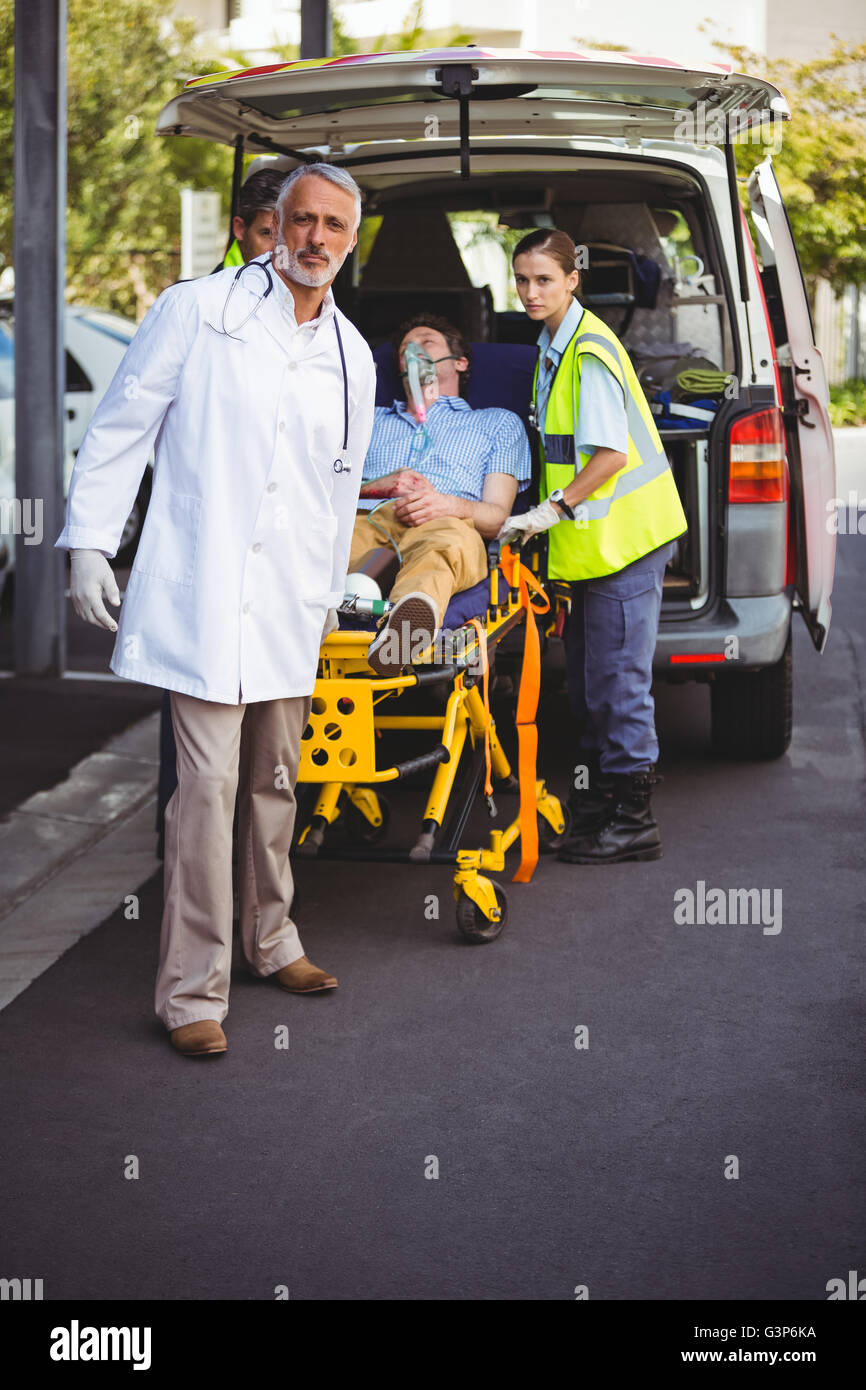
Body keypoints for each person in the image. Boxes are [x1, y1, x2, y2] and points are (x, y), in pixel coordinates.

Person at [56, 165, 376, 1056]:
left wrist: (325, 594)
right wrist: (89, 540)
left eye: (334, 227)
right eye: (302, 220)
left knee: (277, 782)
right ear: (274, 225)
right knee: (205, 792)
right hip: (200, 597)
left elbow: (336, 492)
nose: (315, 239)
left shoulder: (353, 354)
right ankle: (192, 991)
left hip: (290, 604)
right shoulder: (196, 310)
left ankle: (273, 940)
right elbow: (123, 425)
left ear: (352, 240)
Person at [500, 228, 687, 863]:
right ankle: (597, 807)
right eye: (521, 279)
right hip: (594, 546)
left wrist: (552, 510)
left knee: (617, 683)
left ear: (573, 280)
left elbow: (609, 456)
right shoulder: (553, 344)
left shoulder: (589, 352)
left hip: (626, 542)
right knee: (586, 686)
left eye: (543, 280)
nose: (530, 291)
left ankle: (635, 821)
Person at [351, 315, 531, 673]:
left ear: (460, 363)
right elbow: (320, 494)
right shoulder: (364, 421)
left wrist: (445, 504)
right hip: (366, 521)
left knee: (445, 546)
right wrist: (377, 486)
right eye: (404, 350)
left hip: (448, 523)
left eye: (428, 342)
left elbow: (496, 517)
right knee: (320, 542)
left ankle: (404, 631)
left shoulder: (496, 423)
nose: (414, 351)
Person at [213, 166, 287, 271]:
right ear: (240, 229)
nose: (279, 249)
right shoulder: (217, 286)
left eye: (286, 234)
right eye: (267, 233)